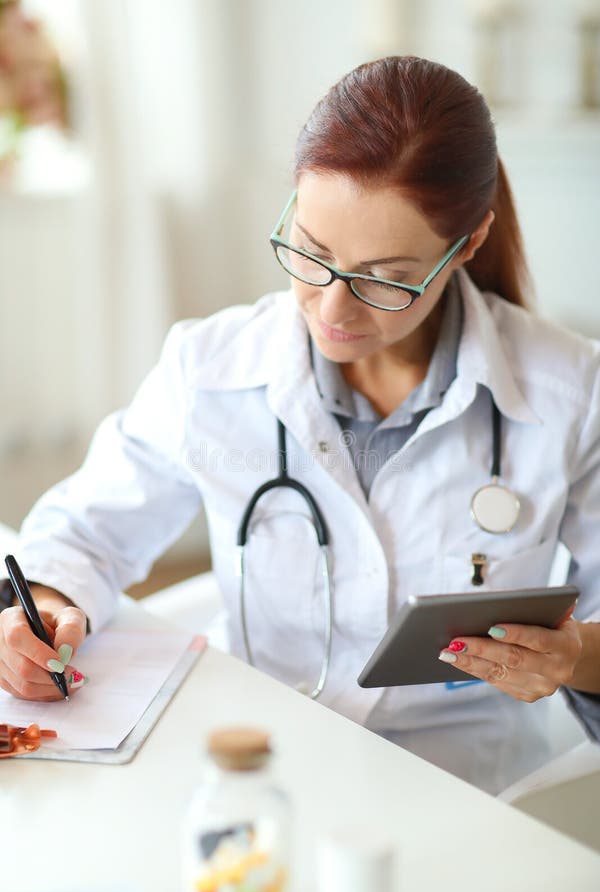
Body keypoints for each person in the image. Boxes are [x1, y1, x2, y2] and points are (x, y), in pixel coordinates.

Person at [1, 56, 599, 794]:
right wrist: (43, 615)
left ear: (468, 244)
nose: (332, 310)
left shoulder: (573, 391)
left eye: (383, 278)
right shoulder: (210, 366)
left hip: (470, 785)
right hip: (255, 760)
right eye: (311, 255)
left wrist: (573, 656)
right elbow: (85, 532)